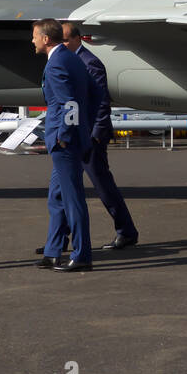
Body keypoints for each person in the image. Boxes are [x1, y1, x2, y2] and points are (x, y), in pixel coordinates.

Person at [63, 21, 139, 249]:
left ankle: (126, 231)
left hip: (90, 137)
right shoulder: (68, 61)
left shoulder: (90, 63)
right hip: (74, 134)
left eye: (66, 39)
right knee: (64, 187)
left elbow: (102, 102)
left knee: (103, 185)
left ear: (78, 39)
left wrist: (96, 135)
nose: (63, 44)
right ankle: (59, 239)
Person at [31, 18, 97, 272]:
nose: (32, 41)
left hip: (64, 143)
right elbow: (95, 94)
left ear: (46, 39)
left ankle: (82, 255)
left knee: (72, 199)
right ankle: (53, 250)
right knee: (56, 197)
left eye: (35, 36)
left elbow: (69, 103)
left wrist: (65, 135)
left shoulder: (57, 62)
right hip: (72, 138)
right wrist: (85, 127)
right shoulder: (72, 58)